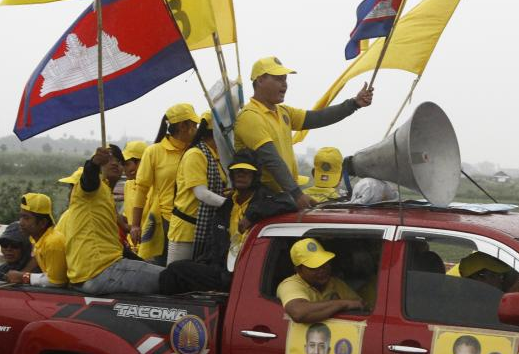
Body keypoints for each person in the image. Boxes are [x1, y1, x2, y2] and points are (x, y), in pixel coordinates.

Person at [234, 57, 372, 211]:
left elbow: (318, 117)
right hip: (259, 203)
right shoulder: (250, 116)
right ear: (260, 80)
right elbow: (271, 160)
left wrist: (354, 104)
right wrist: (297, 194)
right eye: (279, 79)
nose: (284, 84)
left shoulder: (283, 112)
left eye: (285, 79)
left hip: (280, 199)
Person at [158, 150, 296, 295]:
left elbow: (289, 202)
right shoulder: (227, 205)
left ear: (255, 176)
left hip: (251, 272)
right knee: (172, 272)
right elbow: (215, 245)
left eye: (246, 171)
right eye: (237, 171)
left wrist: (251, 216)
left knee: (175, 270)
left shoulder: (265, 198)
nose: (241, 174)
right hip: (224, 270)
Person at [66, 145, 164, 295]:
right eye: (108, 159)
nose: (114, 163)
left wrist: (141, 262)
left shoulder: (107, 196)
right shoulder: (92, 187)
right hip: (100, 271)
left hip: (98, 270)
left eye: (119, 161)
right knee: (170, 278)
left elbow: (117, 246)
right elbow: (88, 181)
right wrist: (93, 163)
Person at [129, 103, 199, 262]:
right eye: (194, 124)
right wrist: (135, 225)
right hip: (165, 220)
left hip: (191, 220)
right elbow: (141, 189)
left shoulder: (195, 151)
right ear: (183, 126)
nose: (196, 129)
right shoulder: (154, 152)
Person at [167, 112, 227, 265]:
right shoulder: (196, 154)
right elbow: (201, 193)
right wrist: (228, 203)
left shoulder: (215, 156)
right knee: (177, 277)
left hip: (205, 228)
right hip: (186, 231)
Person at [276, 238, 364, 323]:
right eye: (314, 268)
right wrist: (343, 304)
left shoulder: (335, 283)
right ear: (298, 270)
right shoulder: (290, 285)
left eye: (325, 264)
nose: (322, 270)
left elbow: (360, 305)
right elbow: (299, 313)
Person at [5, 192, 67, 287]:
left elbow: (57, 282)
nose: (21, 222)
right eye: (21, 216)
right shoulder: (36, 238)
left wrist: (24, 277)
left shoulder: (53, 242)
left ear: (42, 223)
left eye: (26, 218)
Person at [119, 140, 147, 250]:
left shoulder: (154, 187)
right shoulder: (128, 185)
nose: (124, 169)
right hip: (132, 246)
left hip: (148, 246)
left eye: (127, 164)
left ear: (141, 163)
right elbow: (127, 217)